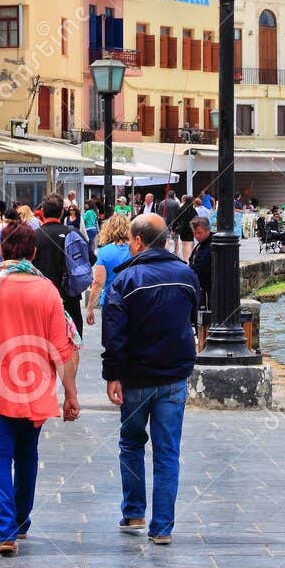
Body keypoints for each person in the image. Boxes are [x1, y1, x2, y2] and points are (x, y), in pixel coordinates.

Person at [0, 223, 81, 556]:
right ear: (33, 252)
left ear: (1, 250)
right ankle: (21, 520)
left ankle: (5, 531)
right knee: (27, 454)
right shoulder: (48, 290)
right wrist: (71, 394)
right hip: (34, 384)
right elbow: (62, 347)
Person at [102, 215, 201, 545]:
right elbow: (192, 317)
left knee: (131, 444)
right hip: (174, 375)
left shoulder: (125, 281)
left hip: (135, 378)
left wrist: (112, 375)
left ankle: (133, 511)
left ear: (138, 242)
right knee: (167, 452)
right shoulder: (186, 275)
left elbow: (113, 336)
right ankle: (162, 528)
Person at [33, 192, 88, 336]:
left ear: (42, 211)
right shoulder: (73, 233)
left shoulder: (33, 236)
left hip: (41, 300)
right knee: (70, 348)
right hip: (69, 298)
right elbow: (89, 260)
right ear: (62, 212)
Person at [85, 214, 133, 327]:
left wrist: (90, 308)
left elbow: (97, 284)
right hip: (132, 301)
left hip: (111, 302)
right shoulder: (135, 250)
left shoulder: (104, 252)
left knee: (112, 339)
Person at [189, 215, 213, 308]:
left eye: (199, 233)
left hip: (208, 286)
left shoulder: (212, 244)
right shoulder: (201, 244)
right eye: (194, 233)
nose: (196, 236)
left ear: (207, 230)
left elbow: (202, 265)